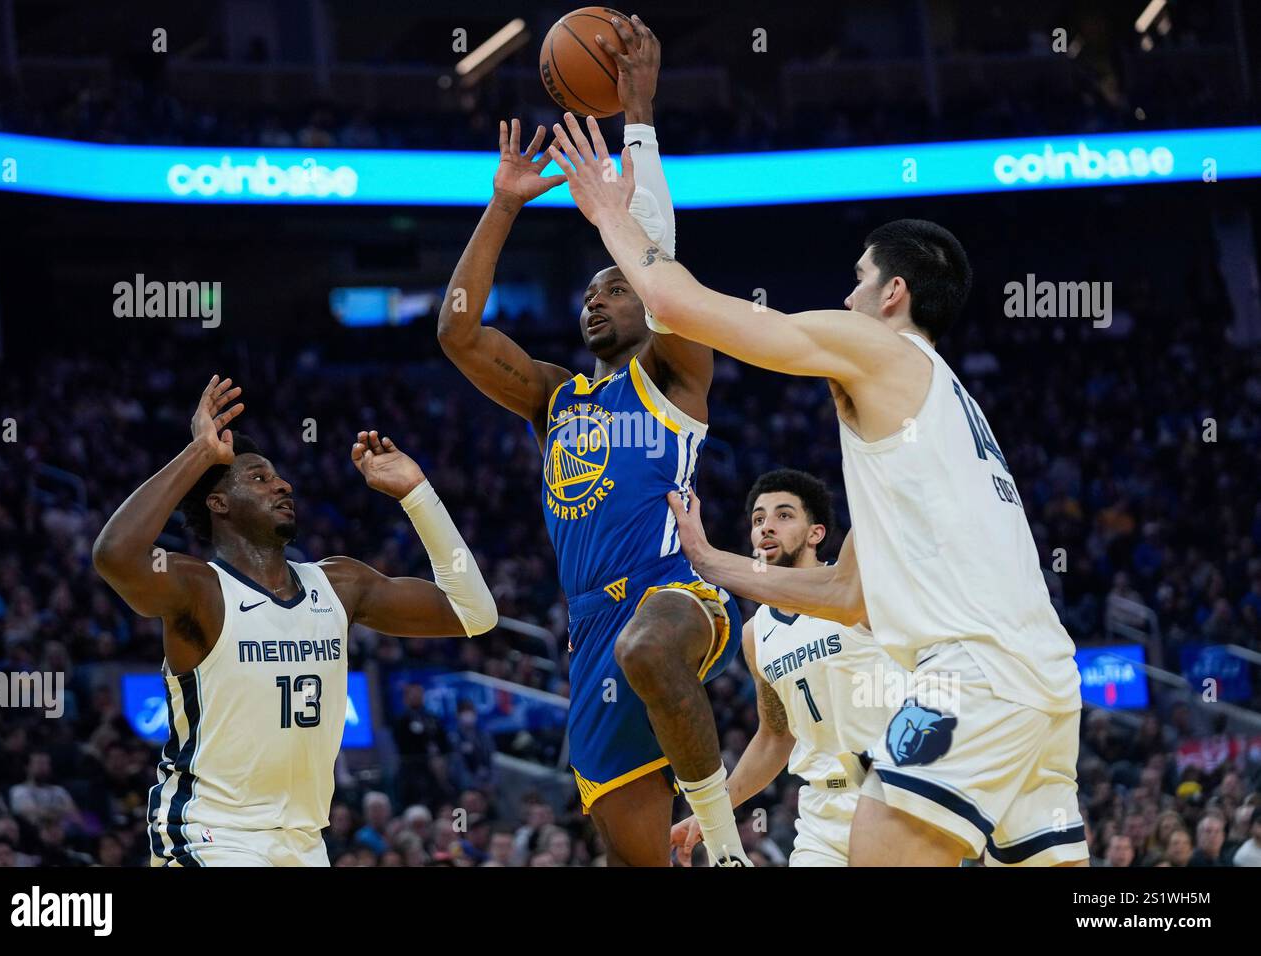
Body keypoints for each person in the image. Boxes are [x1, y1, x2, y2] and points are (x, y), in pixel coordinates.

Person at [549, 115, 1085, 866]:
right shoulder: (942, 424)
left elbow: (677, 307)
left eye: (860, 279)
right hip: (1047, 686)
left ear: (894, 293)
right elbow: (848, 595)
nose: (847, 294)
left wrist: (609, 210)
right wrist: (713, 561)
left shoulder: (883, 348)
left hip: (975, 679)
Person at [436, 15, 745, 866]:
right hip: (587, 630)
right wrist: (502, 204)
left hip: (672, 592)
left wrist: (637, 108)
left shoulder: (676, 377)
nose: (597, 297)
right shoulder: (555, 398)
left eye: (616, 286)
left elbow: (661, 268)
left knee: (651, 645)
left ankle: (726, 847)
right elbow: (459, 335)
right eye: (590, 290)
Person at [92, 376, 496, 866]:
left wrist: (417, 494)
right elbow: (115, 555)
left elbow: (475, 613)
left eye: (278, 476)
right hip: (211, 835)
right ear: (218, 503)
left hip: (304, 842)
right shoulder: (198, 589)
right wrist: (199, 453)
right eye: (259, 478)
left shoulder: (340, 584)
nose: (282, 484)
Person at [670, 470, 906, 866]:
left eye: (783, 516)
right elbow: (776, 736)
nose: (766, 527)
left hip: (897, 797)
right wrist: (713, 813)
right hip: (820, 811)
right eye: (759, 519)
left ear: (815, 534)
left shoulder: (860, 593)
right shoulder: (754, 634)